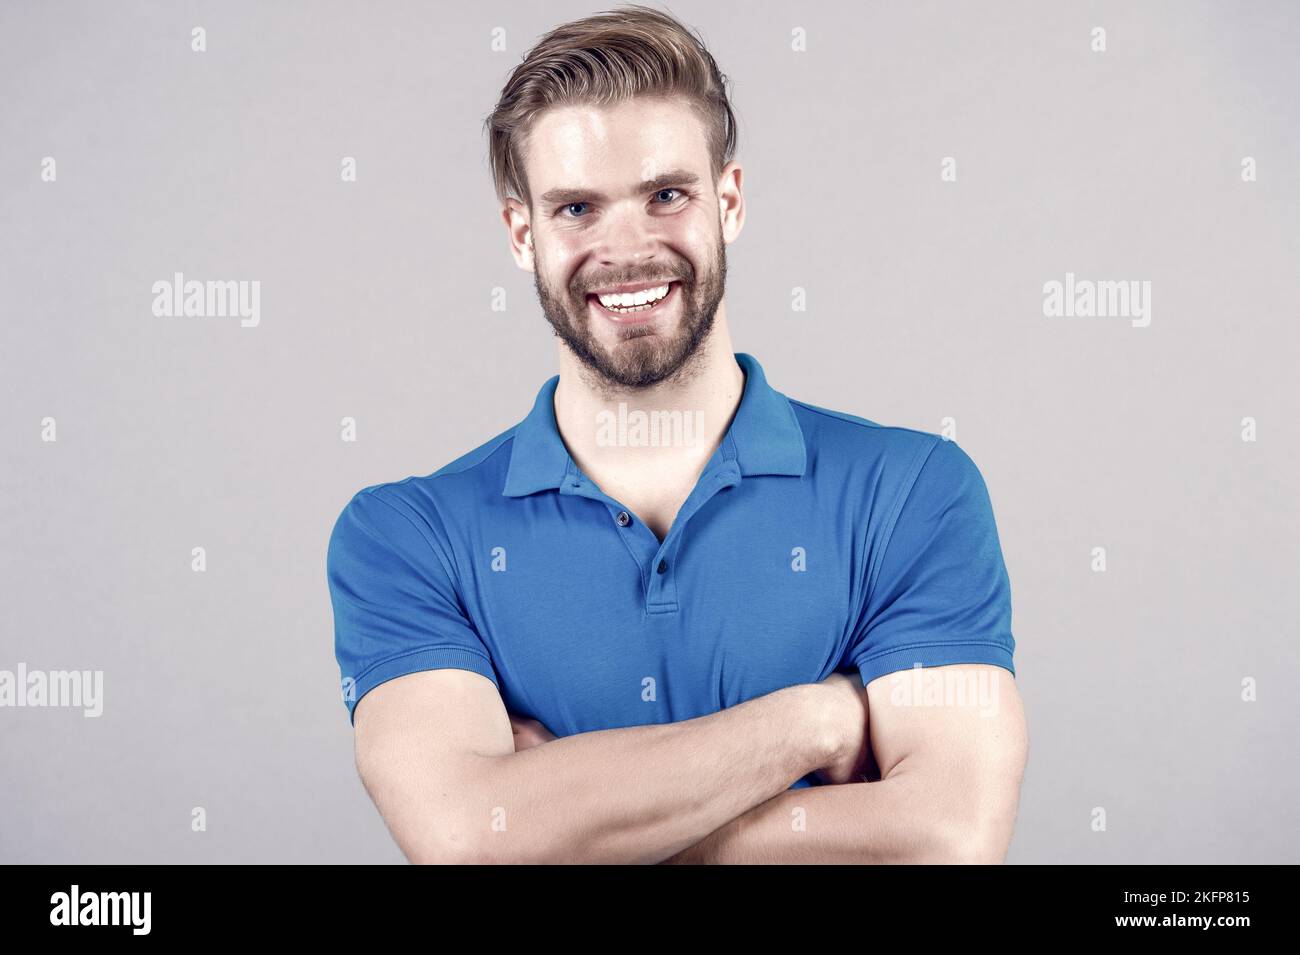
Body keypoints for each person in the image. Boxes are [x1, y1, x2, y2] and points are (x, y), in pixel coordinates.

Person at [327, 4, 1028, 864]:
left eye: (666, 195)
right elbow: (472, 841)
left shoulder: (915, 491)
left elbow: (947, 842)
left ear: (728, 202)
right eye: (578, 207)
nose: (626, 248)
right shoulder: (404, 535)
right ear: (523, 233)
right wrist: (815, 721)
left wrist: (578, 830)